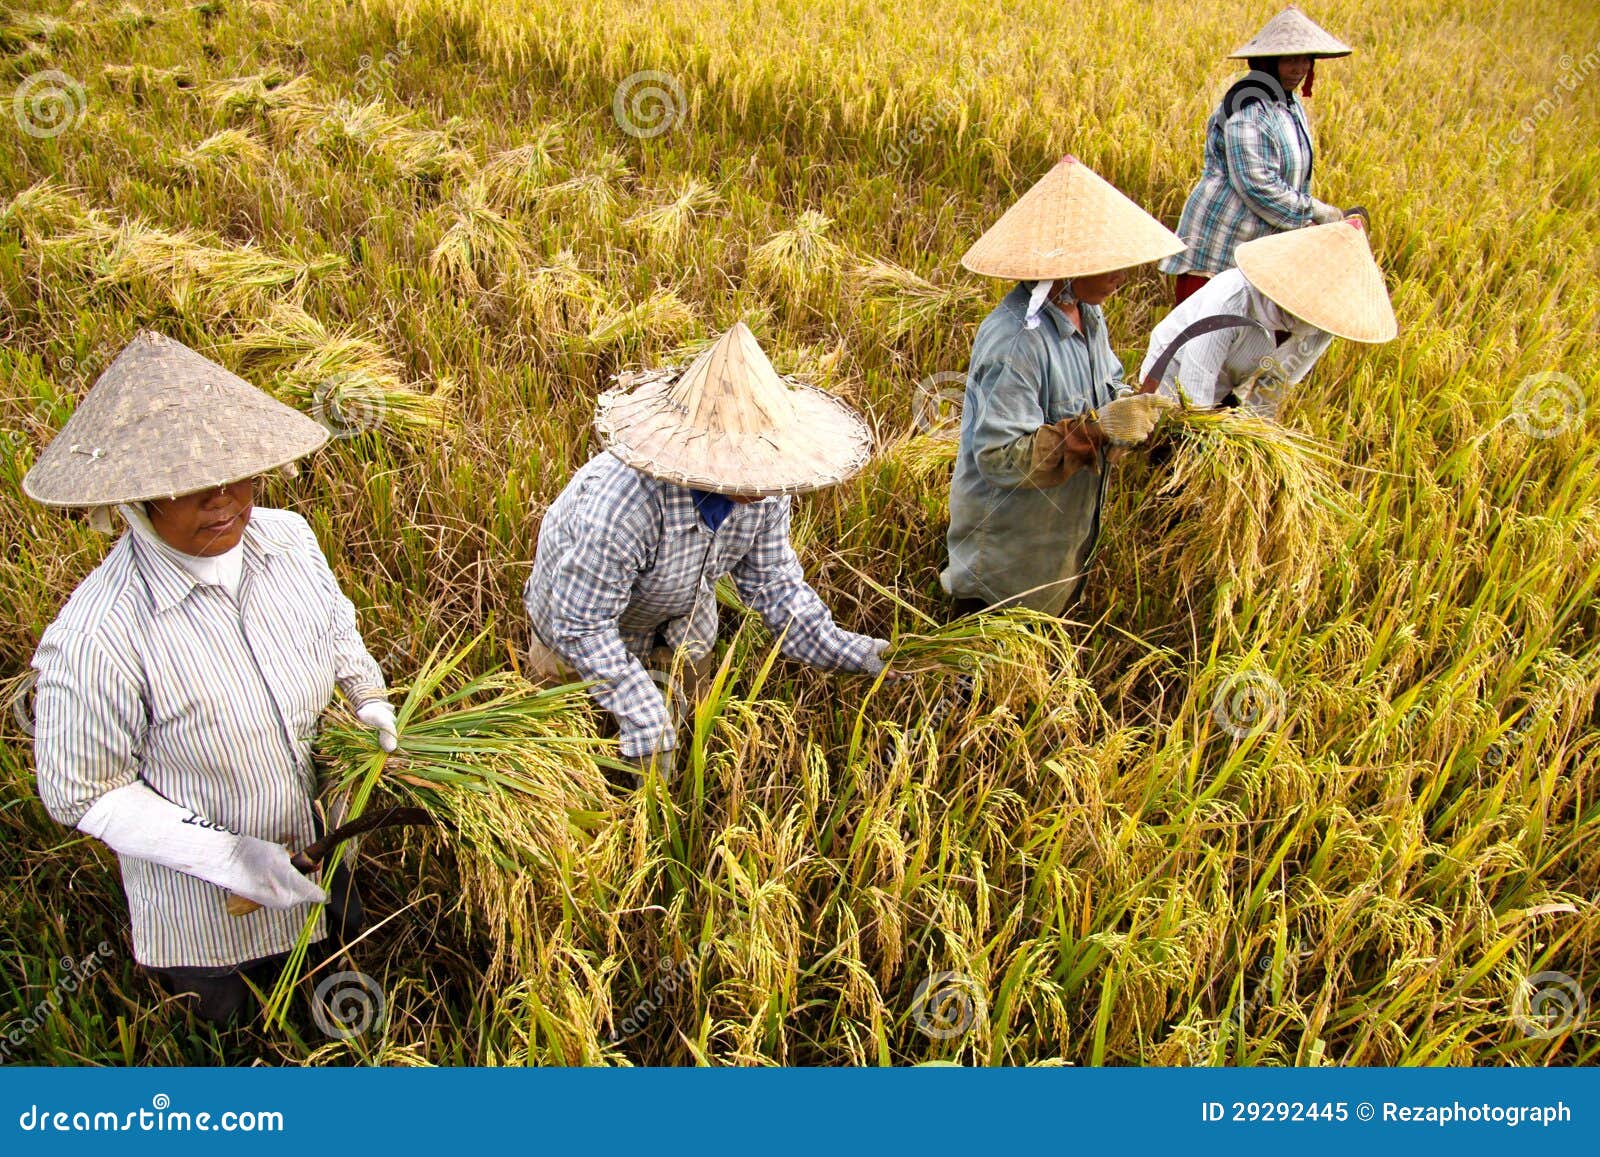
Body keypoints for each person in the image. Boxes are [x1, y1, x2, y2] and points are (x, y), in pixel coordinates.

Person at [25, 330, 398, 1025]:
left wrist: (368, 695)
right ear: (137, 498)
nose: (225, 499)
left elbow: (337, 624)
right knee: (251, 1032)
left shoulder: (289, 539)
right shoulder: (97, 636)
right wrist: (227, 855)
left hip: (320, 845)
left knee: (339, 981)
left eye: (239, 473)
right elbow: (84, 793)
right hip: (211, 915)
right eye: (193, 487)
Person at [523, 321, 891, 777]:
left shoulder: (767, 491)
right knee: (580, 740)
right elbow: (581, 625)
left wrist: (849, 652)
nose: (760, 481)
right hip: (577, 623)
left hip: (681, 613)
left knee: (687, 722)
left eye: (766, 461)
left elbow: (774, 585)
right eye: (744, 463)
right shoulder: (624, 508)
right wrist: (644, 718)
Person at [941, 155, 1184, 616]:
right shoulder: (1016, 344)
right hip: (1010, 553)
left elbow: (1107, 388)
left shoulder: (1089, 316)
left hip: (1060, 536)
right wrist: (1095, 430)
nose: (1122, 276)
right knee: (986, 667)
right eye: (1108, 264)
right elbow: (998, 458)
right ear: (1067, 267)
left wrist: (1134, 411)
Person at [1158, 5, 1355, 306]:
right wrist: (1313, 212)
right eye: (1289, 59)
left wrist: (1307, 221)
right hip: (1220, 249)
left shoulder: (1289, 106)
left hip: (1259, 248)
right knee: (1206, 341)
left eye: (1304, 59)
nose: (1299, 68)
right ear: (1267, 61)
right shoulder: (1248, 107)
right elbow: (1257, 184)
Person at [1141, 216, 1398, 418]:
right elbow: (1195, 383)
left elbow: (1274, 385)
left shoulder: (1325, 320)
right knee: (1164, 446)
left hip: (1227, 381)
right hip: (1172, 374)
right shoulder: (1233, 297)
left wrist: (1252, 441)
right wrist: (1198, 440)